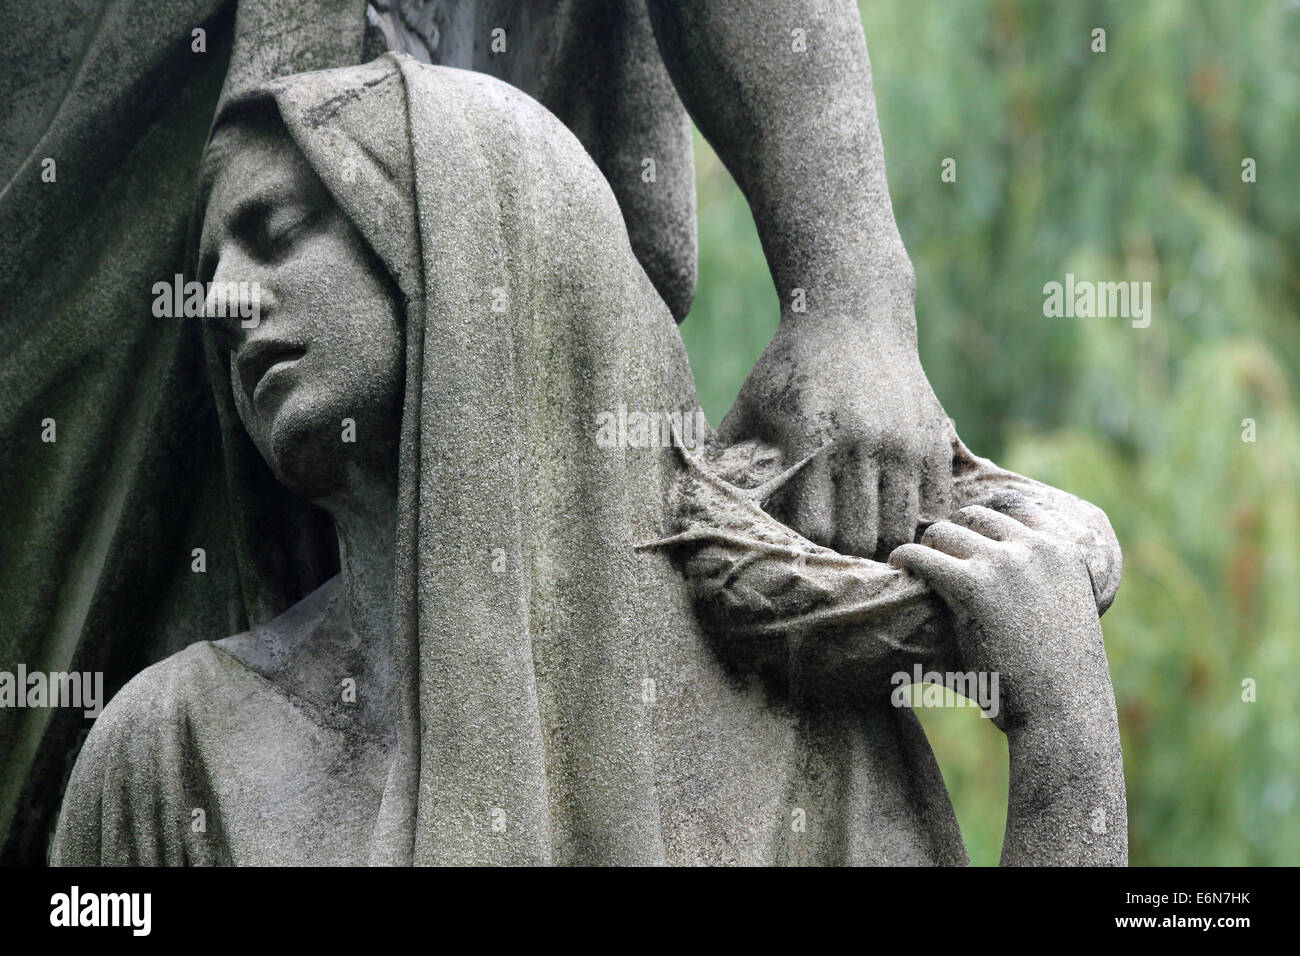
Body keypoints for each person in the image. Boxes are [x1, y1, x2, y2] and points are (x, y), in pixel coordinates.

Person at [51, 55, 1124, 866]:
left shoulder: (801, 735)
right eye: (212, 265)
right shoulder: (171, 748)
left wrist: (1066, 733)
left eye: (279, 230)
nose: (226, 298)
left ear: (476, 238)